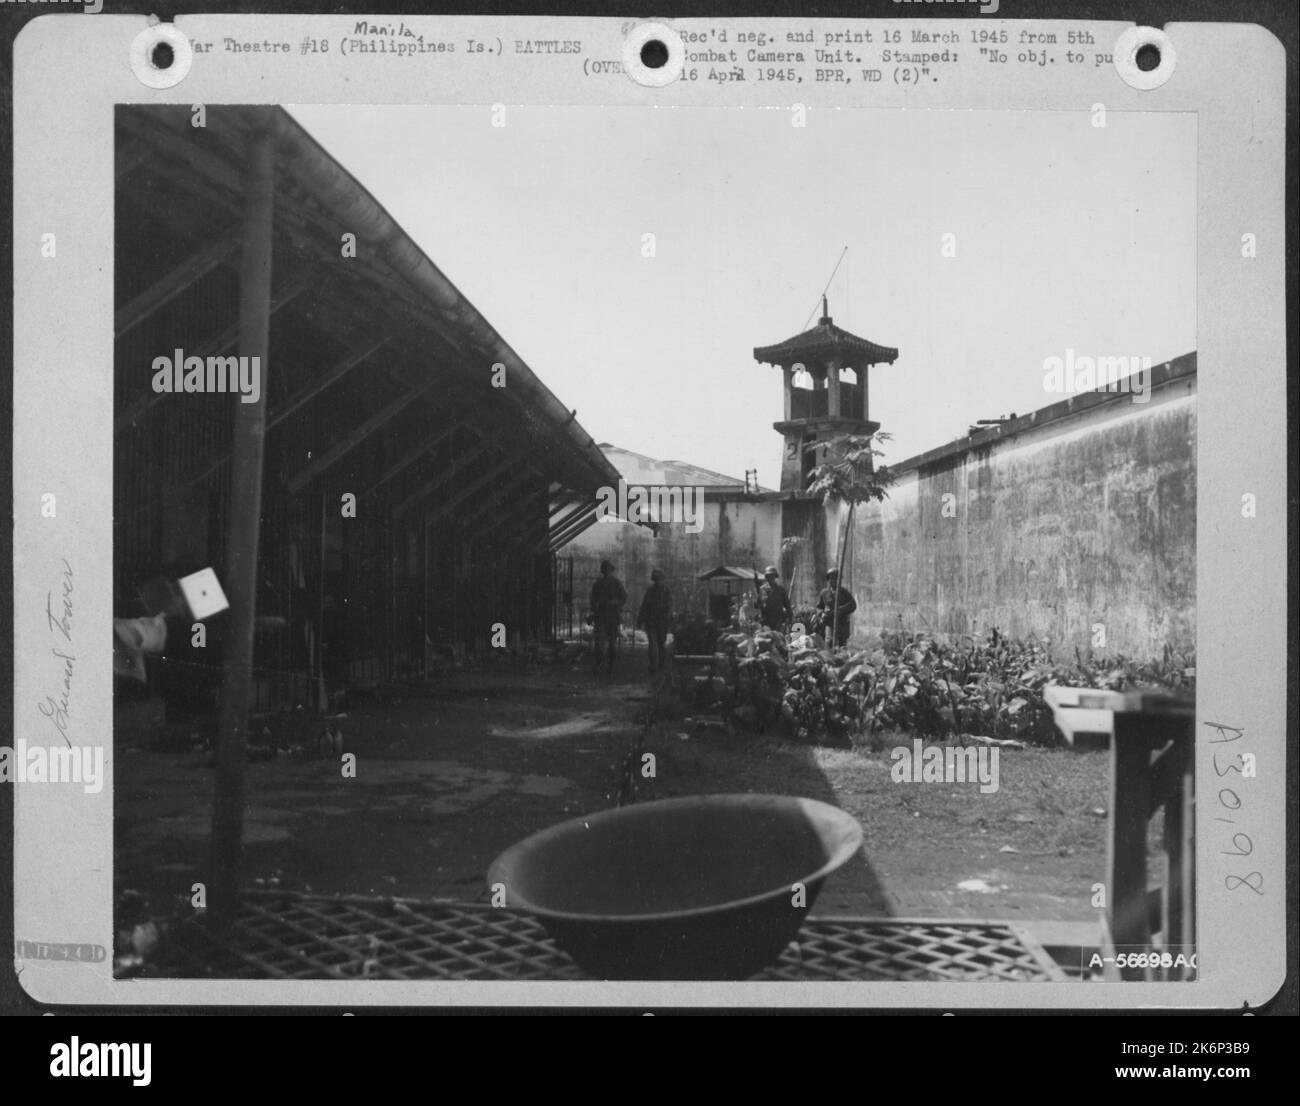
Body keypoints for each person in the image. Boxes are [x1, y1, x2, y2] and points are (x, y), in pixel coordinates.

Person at [589, 560, 627, 674]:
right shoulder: (598, 583)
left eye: (608, 568)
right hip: (601, 615)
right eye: (604, 568)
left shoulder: (616, 583)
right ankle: (600, 663)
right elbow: (592, 598)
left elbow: (623, 597)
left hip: (612, 616)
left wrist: (616, 603)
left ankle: (610, 665)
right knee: (599, 642)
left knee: (611, 643)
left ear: (611, 570)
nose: (606, 570)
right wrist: (594, 607)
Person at [636, 569, 673, 674]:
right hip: (651, 621)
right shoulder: (650, 591)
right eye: (656, 579)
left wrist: (668, 616)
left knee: (661, 644)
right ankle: (653, 666)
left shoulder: (666, 591)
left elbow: (670, 606)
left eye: (659, 579)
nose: (657, 582)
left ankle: (661, 665)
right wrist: (640, 620)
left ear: (662, 579)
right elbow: (644, 607)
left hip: (662, 622)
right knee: (652, 644)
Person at [816, 568, 857, 647]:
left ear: (839, 580)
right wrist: (822, 614)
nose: (833, 581)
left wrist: (841, 609)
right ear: (828, 580)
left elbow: (853, 605)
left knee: (842, 645)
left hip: (842, 623)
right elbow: (819, 607)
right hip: (829, 622)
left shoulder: (844, 592)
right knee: (829, 642)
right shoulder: (824, 593)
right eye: (831, 578)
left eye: (835, 578)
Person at [758, 565, 792, 633]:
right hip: (766, 619)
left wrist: (790, 616)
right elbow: (758, 604)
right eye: (768, 576)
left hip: (778, 619)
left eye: (772, 576)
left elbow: (787, 604)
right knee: (766, 639)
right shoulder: (762, 589)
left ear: (775, 576)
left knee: (778, 638)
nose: (770, 578)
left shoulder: (780, 589)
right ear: (766, 577)